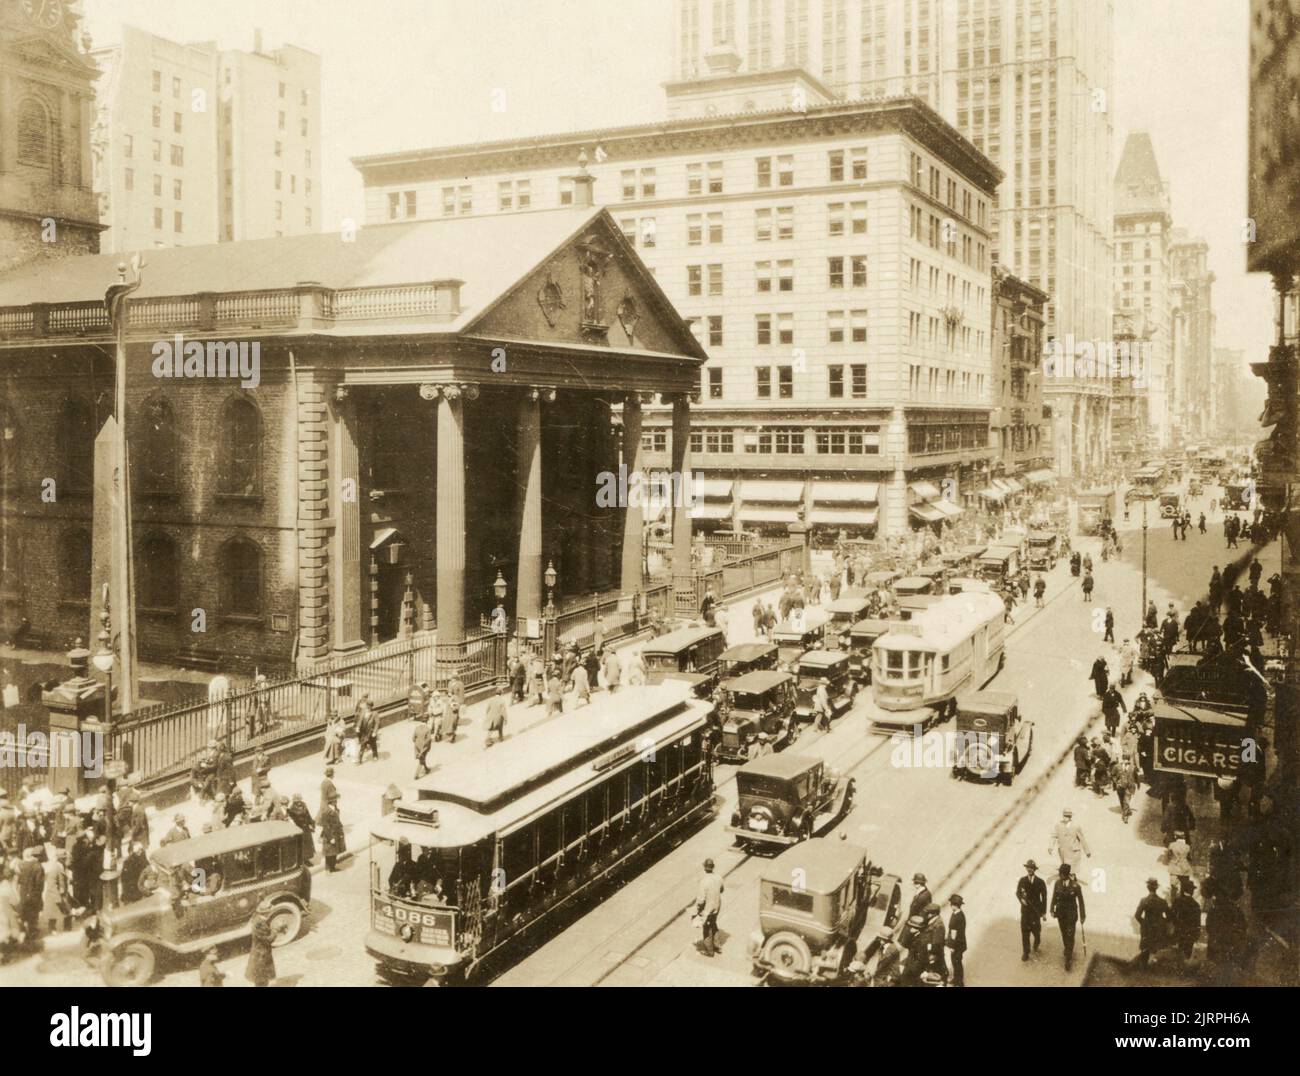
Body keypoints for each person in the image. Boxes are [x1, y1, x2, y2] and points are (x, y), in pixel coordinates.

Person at [1050, 863, 1086, 971]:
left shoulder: (1075, 886)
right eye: (1060, 874)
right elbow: (1054, 897)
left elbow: (1081, 902)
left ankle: (1068, 958)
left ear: (1066, 874)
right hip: (1060, 914)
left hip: (1071, 914)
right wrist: (1052, 909)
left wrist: (1082, 916)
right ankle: (1067, 948)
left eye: (1063, 874)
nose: (1061, 876)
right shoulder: (1057, 883)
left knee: (1070, 934)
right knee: (1064, 934)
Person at [1132, 877, 1170, 969]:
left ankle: (1144, 970)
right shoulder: (1162, 902)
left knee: (1145, 950)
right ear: (1156, 888)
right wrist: (1162, 922)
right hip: (1158, 929)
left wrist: (1144, 923)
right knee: (1156, 950)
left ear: (1148, 888)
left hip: (1147, 929)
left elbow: (1137, 915)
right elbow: (1169, 916)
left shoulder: (1144, 900)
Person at [1016, 859, 1048, 961]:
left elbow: (1044, 898)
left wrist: (1043, 912)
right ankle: (1026, 952)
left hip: (1036, 912)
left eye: (1031, 868)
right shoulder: (1022, 880)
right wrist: (1021, 900)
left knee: (1036, 932)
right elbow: (1017, 892)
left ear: (1034, 869)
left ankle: (1036, 943)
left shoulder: (1040, 882)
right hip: (1025, 912)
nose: (1029, 869)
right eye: (1028, 867)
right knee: (1025, 932)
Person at [694, 858, 723, 957]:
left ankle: (709, 951)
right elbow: (722, 889)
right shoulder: (718, 877)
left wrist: (698, 910)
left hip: (707, 909)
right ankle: (717, 945)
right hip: (717, 905)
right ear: (713, 867)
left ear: (704, 867)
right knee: (713, 924)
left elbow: (701, 900)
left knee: (706, 928)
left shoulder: (703, 881)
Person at [1048, 807, 1091, 874]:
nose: (1066, 817)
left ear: (1070, 817)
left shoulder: (1076, 826)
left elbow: (1082, 839)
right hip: (1063, 852)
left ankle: (1072, 879)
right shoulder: (1058, 825)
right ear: (1063, 816)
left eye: (1068, 816)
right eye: (1065, 815)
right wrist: (1050, 847)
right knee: (1065, 869)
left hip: (1073, 853)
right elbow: (1054, 836)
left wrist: (1087, 851)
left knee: (1071, 870)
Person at [245, 899, 277, 986]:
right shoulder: (259, 924)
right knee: (261, 980)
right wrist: (275, 931)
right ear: (266, 912)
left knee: (262, 979)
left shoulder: (258, 920)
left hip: (260, 954)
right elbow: (268, 939)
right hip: (260, 957)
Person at [1170, 879, 1201, 963]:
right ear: (1191, 891)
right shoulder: (1195, 904)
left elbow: (1172, 915)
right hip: (1190, 932)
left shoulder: (1177, 901)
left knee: (1180, 951)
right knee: (1188, 952)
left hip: (1180, 931)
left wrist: (1177, 924)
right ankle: (1185, 967)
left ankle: (1179, 967)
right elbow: (1198, 922)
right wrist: (1197, 934)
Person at [945, 893, 967, 987]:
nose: (950, 905)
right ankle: (956, 979)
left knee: (956, 963)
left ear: (955, 905)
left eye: (952, 904)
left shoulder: (957, 917)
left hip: (957, 945)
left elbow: (954, 934)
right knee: (956, 962)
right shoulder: (959, 914)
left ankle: (959, 982)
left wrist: (952, 946)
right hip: (960, 944)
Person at [287, 794, 316, 862]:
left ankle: (307, 860)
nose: (299, 802)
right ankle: (303, 860)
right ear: (294, 801)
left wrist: (311, 823)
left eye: (299, 800)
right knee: (301, 845)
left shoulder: (304, 805)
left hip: (306, 828)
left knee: (308, 845)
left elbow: (308, 815)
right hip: (299, 828)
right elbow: (292, 819)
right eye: (297, 801)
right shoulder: (292, 809)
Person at [319, 800, 346, 872]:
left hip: (336, 833)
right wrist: (330, 838)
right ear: (331, 802)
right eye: (335, 801)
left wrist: (340, 831)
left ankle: (331, 866)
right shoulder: (326, 812)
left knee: (333, 852)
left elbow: (338, 821)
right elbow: (325, 826)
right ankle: (331, 868)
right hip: (330, 835)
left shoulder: (335, 809)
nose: (336, 802)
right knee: (330, 852)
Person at [354, 695, 379, 764]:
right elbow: (360, 720)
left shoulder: (375, 713)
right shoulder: (363, 712)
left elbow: (377, 723)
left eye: (369, 706)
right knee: (363, 745)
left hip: (371, 732)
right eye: (367, 706)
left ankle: (375, 755)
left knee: (373, 744)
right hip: (364, 732)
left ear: (371, 707)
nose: (368, 708)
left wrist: (375, 732)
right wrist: (358, 727)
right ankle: (359, 759)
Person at [1114, 758, 1136, 824]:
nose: (1126, 761)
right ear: (1122, 759)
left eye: (1127, 759)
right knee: (1121, 800)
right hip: (1120, 786)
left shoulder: (1133, 767)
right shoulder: (1117, 766)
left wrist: (1138, 783)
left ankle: (1125, 816)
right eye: (1124, 759)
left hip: (1129, 787)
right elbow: (1112, 774)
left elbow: (1135, 776)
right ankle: (1127, 810)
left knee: (1126, 801)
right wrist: (1116, 782)